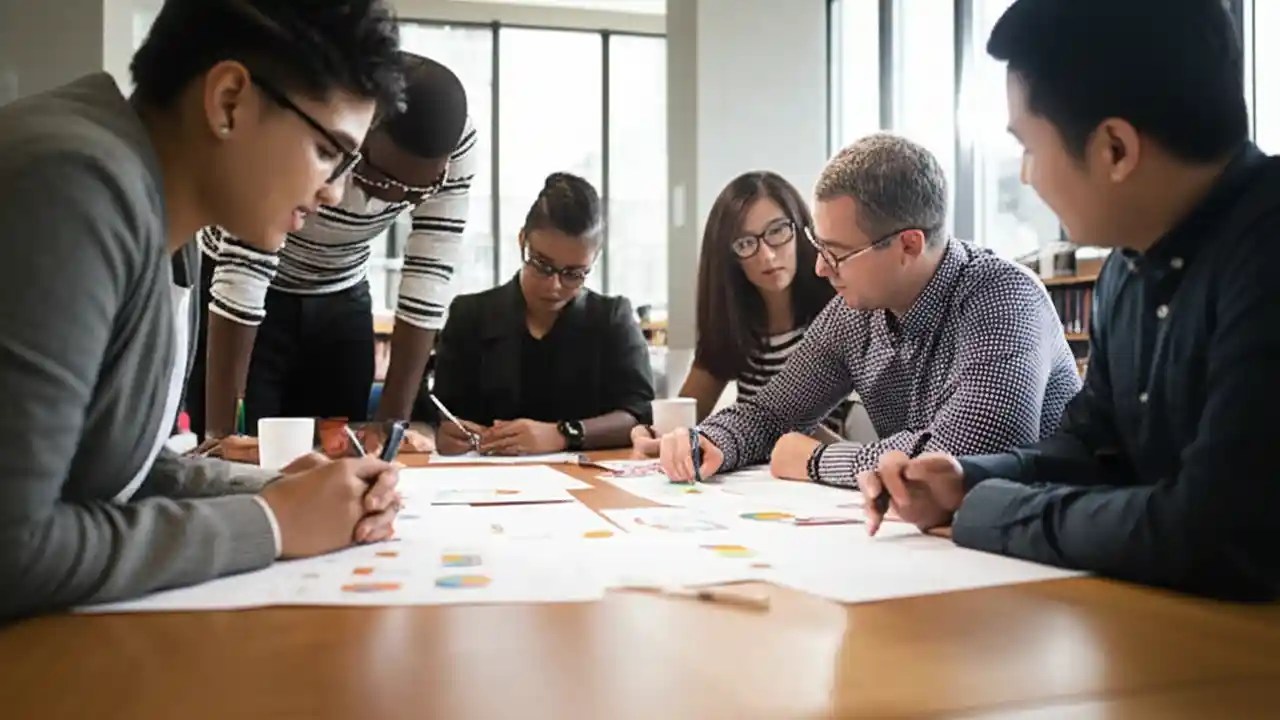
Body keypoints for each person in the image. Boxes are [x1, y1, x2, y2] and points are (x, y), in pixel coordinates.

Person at [857, 0, 1280, 600]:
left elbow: (1216, 530)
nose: (1026, 177)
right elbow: (1091, 448)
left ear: (1114, 150)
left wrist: (990, 513)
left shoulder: (1265, 257)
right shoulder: (1126, 271)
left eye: (1028, 147)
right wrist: (964, 479)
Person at [0, 0, 405, 621]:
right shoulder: (72, 185)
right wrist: (271, 523)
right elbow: (14, 547)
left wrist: (281, 491)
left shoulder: (166, 222)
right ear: (229, 100)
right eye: (330, 151)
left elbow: (113, 467)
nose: (335, 191)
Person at [657, 133, 1082, 485]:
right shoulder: (856, 311)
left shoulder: (1004, 297)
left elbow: (971, 454)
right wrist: (712, 439)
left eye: (838, 253)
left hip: (1042, 547)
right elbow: (770, 412)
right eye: (819, 247)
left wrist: (816, 460)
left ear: (908, 245)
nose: (822, 268)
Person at [190, 52, 477, 452]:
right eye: (386, 181)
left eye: (419, 192)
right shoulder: (311, 112)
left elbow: (428, 275)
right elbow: (244, 268)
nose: (393, 201)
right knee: (243, 456)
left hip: (340, 289)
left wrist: (391, 429)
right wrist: (219, 437)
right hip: (238, 290)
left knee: (341, 454)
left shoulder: (455, 142)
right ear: (364, 127)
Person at [424, 173, 655, 456]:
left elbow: (640, 413)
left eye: (574, 274)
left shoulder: (611, 319)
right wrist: (444, 431)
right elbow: (441, 413)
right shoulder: (470, 316)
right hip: (484, 480)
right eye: (542, 264)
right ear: (522, 240)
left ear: (593, 260)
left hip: (588, 484)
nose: (554, 286)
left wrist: (564, 434)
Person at [629, 172, 847, 455]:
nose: (766, 255)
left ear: (802, 229)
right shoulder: (736, 325)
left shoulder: (841, 312)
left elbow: (832, 438)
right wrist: (648, 430)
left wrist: (765, 424)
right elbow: (685, 414)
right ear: (729, 258)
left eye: (777, 231)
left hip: (823, 477)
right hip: (754, 483)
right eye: (745, 243)